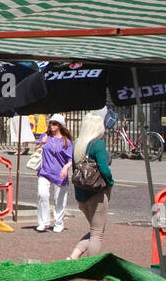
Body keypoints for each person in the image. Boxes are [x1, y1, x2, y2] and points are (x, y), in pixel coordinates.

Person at [68, 108, 115, 259]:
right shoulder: (97, 144)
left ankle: (73, 257)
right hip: (96, 192)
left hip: (80, 194)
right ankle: (90, 265)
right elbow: (104, 170)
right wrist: (110, 183)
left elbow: (75, 168)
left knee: (95, 230)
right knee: (97, 234)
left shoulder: (77, 143)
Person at [33, 114, 72, 233]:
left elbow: (71, 159)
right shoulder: (45, 136)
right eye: (50, 123)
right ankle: (43, 222)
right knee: (42, 194)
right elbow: (35, 150)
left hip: (59, 173)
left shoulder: (66, 141)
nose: (51, 126)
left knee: (59, 199)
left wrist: (65, 168)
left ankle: (59, 222)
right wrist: (41, 143)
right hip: (45, 171)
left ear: (60, 126)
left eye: (54, 123)